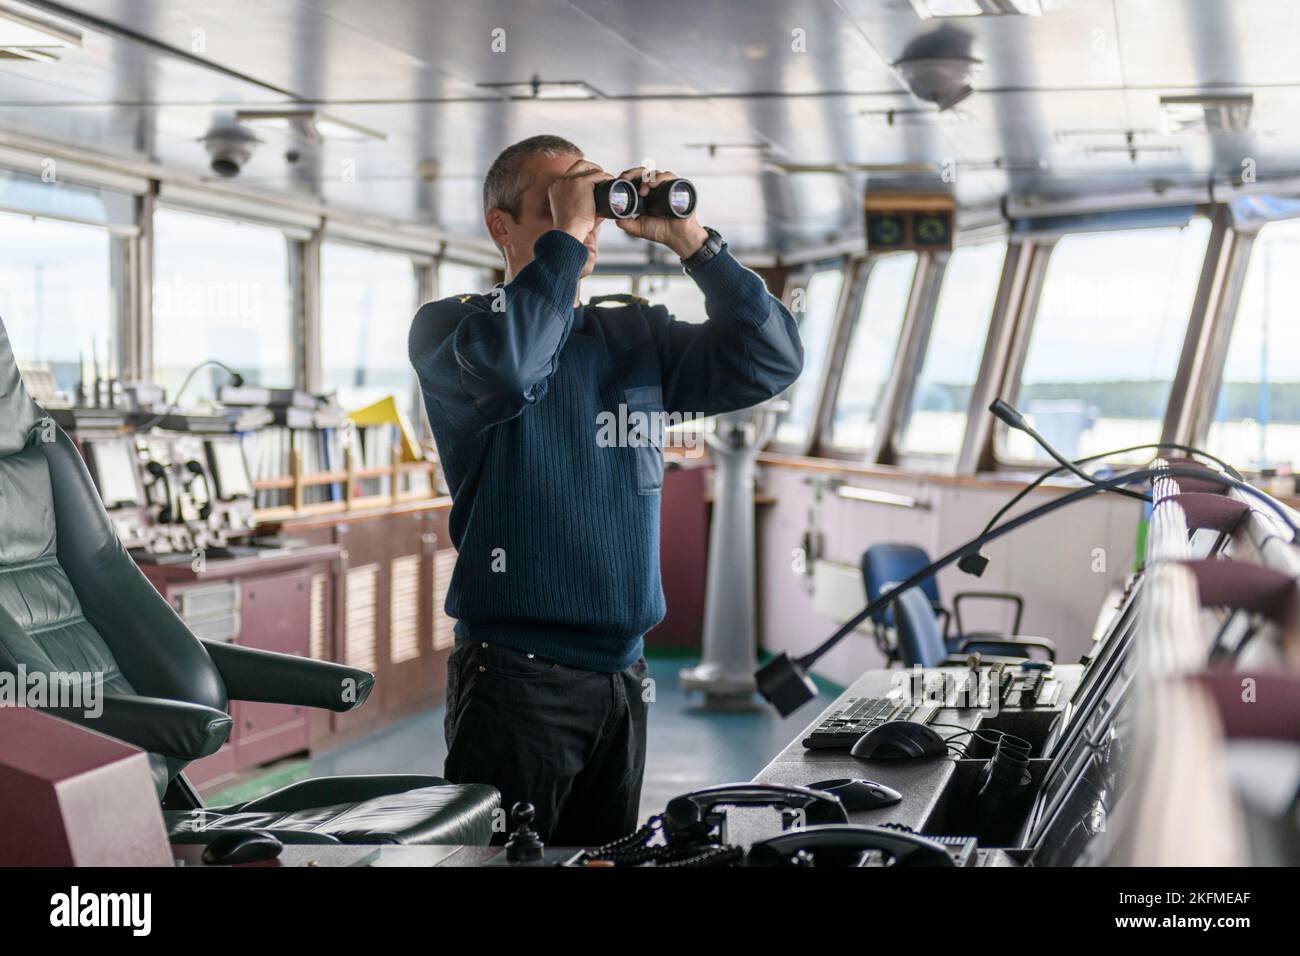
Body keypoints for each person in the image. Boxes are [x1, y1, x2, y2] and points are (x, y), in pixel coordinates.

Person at [408, 134, 803, 846]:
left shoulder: (631, 331)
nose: (586, 222)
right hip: (517, 681)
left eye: (590, 202)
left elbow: (770, 359)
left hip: (624, 676)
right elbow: (511, 372)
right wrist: (561, 243)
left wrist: (693, 244)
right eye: (561, 203)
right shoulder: (455, 327)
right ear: (502, 227)